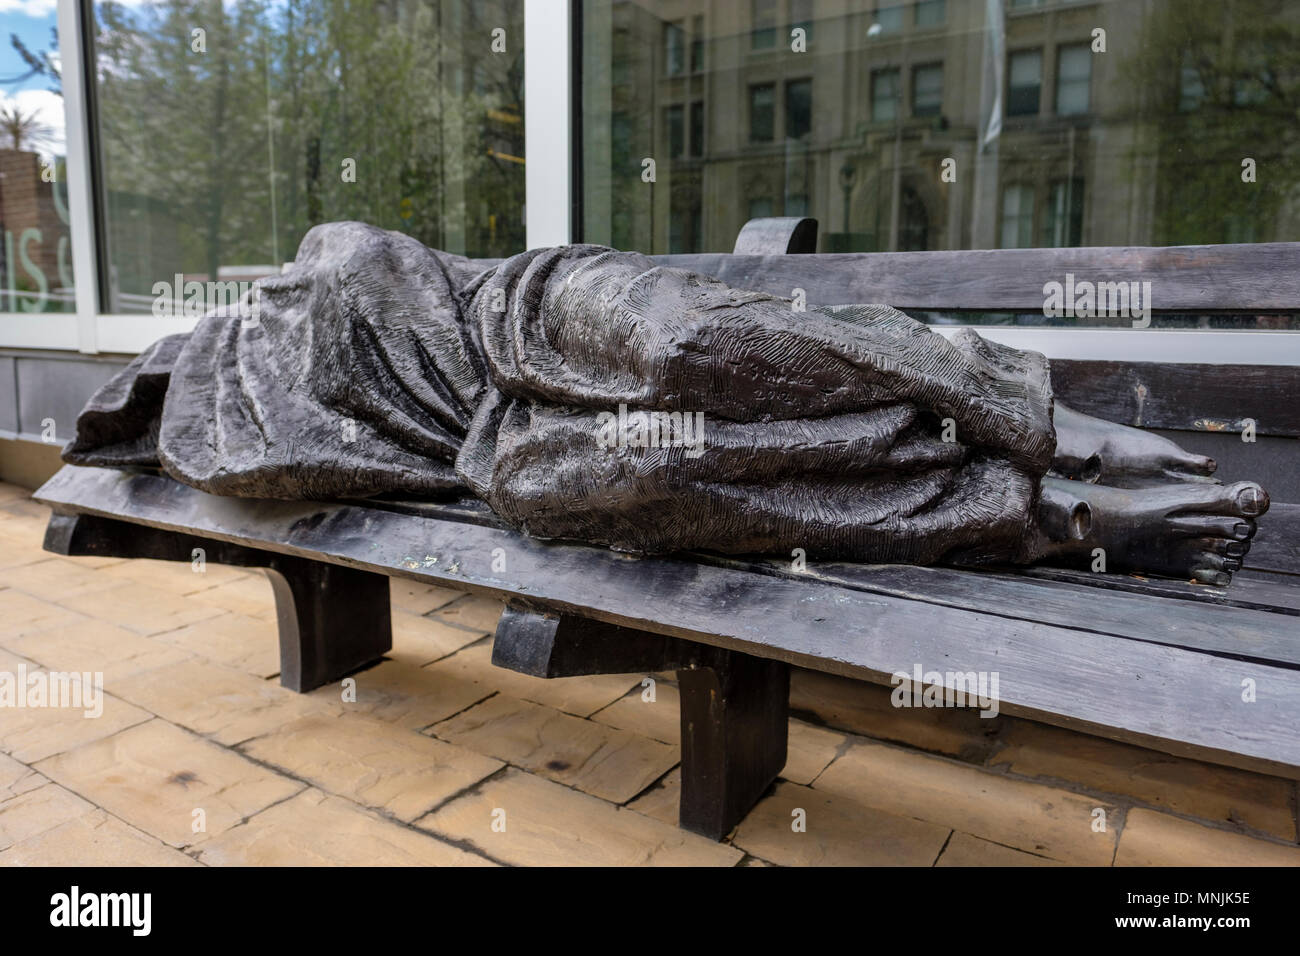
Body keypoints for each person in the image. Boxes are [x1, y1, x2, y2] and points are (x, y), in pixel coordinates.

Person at [64, 221, 1267, 586]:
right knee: (634, 473)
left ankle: (1035, 409)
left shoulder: (305, 269)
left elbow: (374, 257)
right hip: (496, 445)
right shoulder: (215, 436)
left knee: (693, 344)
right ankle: (1045, 518)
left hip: (522, 312)